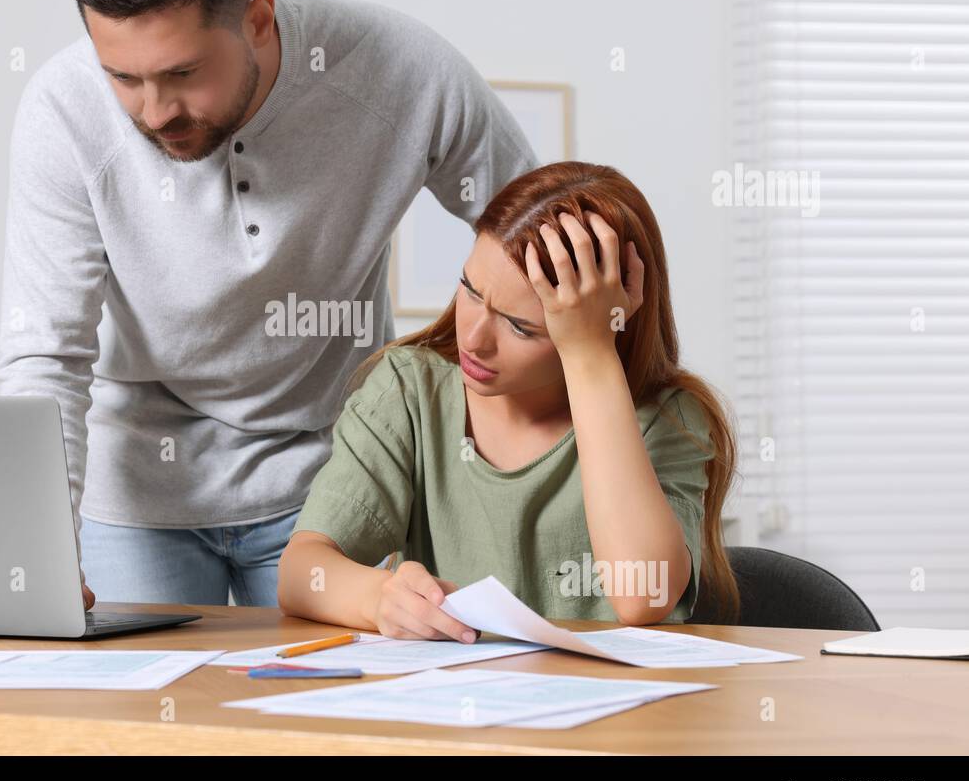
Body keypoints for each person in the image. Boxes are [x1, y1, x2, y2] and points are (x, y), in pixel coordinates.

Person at [0, 0, 537, 608]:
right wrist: (36, 557)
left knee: (337, 713)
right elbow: (46, 358)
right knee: (138, 719)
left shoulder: (399, 72)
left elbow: (536, 235)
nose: (154, 112)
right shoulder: (62, 111)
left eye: (183, 73)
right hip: (142, 493)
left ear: (257, 19)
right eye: (124, 77)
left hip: (332, 484)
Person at [277, 161, 741, 637]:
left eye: (521, 327)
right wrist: (379, 598)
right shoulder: (408, 391)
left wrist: (590, 355)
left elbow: (644, 596)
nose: (474, 339)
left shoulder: (668, 419)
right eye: (471, 291)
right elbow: (300, 575)